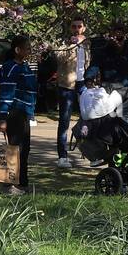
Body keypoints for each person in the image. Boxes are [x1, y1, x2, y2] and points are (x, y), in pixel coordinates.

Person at [0, 35, 38, 196]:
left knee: (24, 150)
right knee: (14, 149)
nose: (29, 50)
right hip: (14, 112)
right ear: (17, 50)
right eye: (27, 48)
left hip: (24, 113)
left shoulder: (24, 66)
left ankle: (23, 183)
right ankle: (9, 185)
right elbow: (6, 92)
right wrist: (3, 117)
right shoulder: (10, 67)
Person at [52, 17, 91, 169]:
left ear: (84, 28)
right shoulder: (64, 43)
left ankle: (88, 152)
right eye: (74, 26)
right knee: (64, 121)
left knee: (88, 119)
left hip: (83, 84)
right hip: (67, 84)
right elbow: (59, 59)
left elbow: (88, 63)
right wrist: (70, 45)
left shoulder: (87, 44)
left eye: (79, 26)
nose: (77, 29)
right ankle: (62, 156)